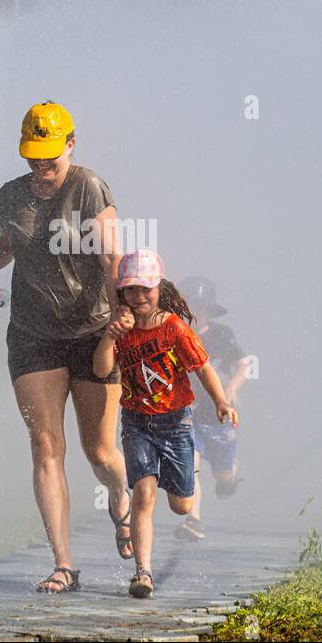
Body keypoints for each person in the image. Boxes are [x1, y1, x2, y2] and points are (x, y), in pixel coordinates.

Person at [0, 101, 133, 594]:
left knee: (100, 451)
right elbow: (8, 246)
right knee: (46, 444)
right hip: (33, 334)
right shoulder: (11, 195)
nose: (42, 168)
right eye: (34, 159)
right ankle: (63, 564)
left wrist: (124, 313)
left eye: (50, 159)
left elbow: (112, 254)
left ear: (71, 145)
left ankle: (121, 499)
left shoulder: (89, 187)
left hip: (94, 331)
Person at [93, 250, 239, 598]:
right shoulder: (121, 329)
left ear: (160, 288)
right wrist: (110, 336)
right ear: (121, 293)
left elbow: (203, 367)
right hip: (137, 424)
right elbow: (100, 370)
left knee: (182, 505)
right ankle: (143, 574)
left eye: (146, 289)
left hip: (175, 424)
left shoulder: (174, 328)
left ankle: (181, 480)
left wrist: (221, 401)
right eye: (130, 290)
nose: (139, 297)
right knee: (143, 493)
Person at [173, 276, 252, 542]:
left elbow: (244, 364)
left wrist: (230, 389)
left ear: (209, 308)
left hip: (218, 416)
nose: (194, 310)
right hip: (189, 415)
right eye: (189, 304)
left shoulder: (221, 335)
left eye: (199, 304)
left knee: (223, 475)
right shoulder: (175, 334)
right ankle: (194, 520)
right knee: (190, 462)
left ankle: (230, 474)